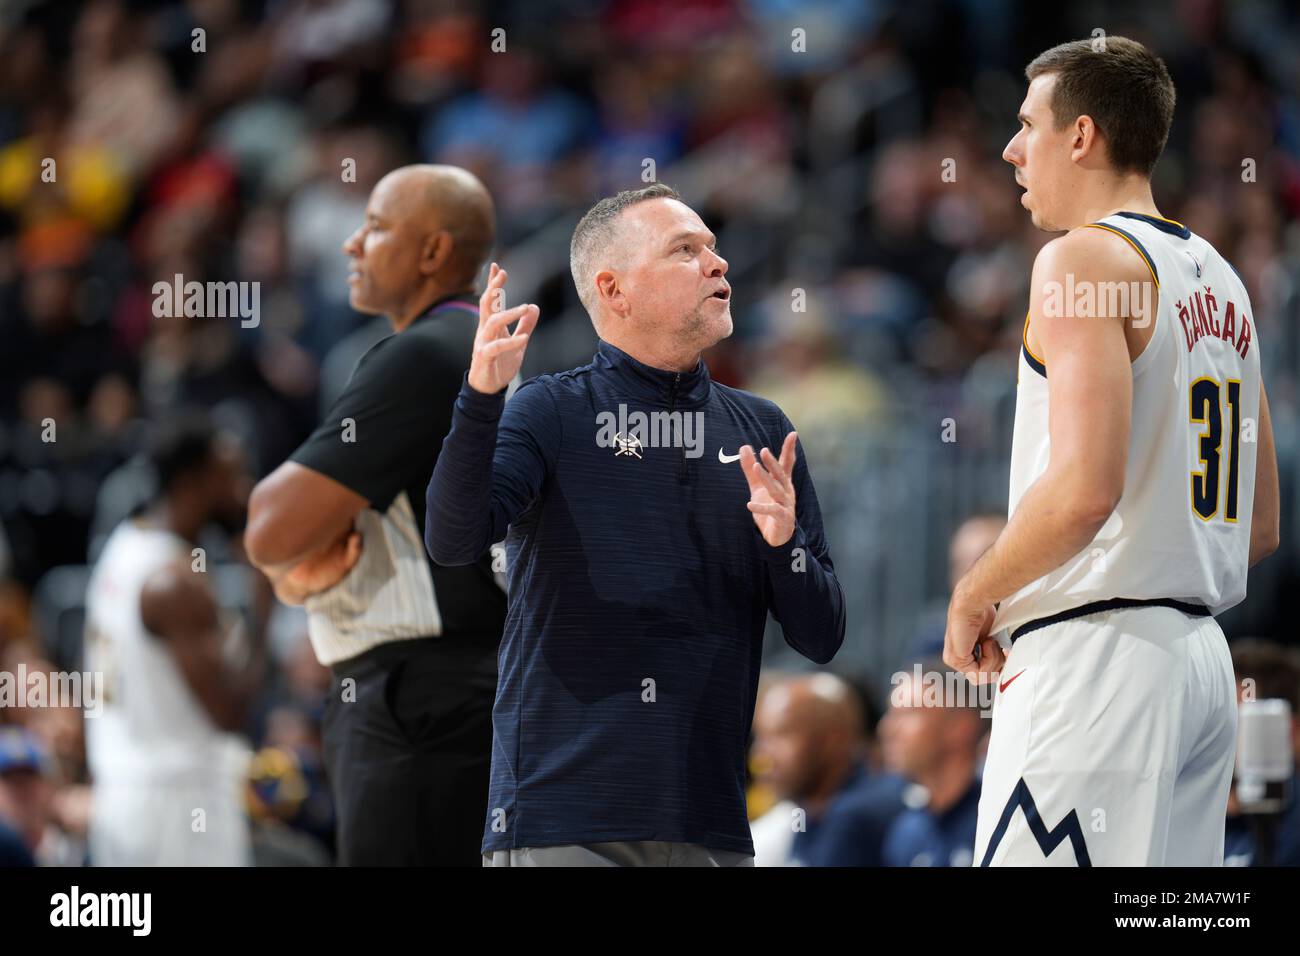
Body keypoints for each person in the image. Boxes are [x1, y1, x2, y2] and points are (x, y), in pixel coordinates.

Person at [426, 183, 846, 866]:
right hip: (564, 818)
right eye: (686, 251)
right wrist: (480, 401)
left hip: (709, 821)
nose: (719, 264)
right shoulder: (548, 412)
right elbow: (453, 542)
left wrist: (782, 548)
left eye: (713, 248)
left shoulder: (764, 429)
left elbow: (822, 635)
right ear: (613, 289)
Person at [944, 36, 1281, 866]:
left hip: (1096, 657)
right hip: (1201, 667)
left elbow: (1085, 491)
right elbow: (1261, 524)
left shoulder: (1082, 259)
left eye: (1028, 126)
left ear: (1083, 136)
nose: (1010, 149)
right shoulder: (1222, 279)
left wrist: (974, 592)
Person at [246, 164, 505, 866]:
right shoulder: (474, 347)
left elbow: (269, 526)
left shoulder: (422, 356)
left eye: (376, 227)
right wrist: (297, 578)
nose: (351, 244)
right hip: (462, 693)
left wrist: (294, 574)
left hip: (418, 699)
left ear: (432, 254)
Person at [84, 414, 260, 866]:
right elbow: (229, 711)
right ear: (192, 482)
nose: (243, 491)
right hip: (178, 805)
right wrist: (266, 599)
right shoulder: (175, 582)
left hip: (125, 791)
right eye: (231, 475)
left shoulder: (124, 546)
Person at [750, 673, 905, 866]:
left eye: (781, 736)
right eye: (761, 738)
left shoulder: (855, 815)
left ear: (832, 740)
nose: (761, 757)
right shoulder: (808, 810)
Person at [879, 660, 984, 867]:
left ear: (960, 727)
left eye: (907, 714)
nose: (886, 729)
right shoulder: (906, 831)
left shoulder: (998, 818)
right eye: (890, 715)